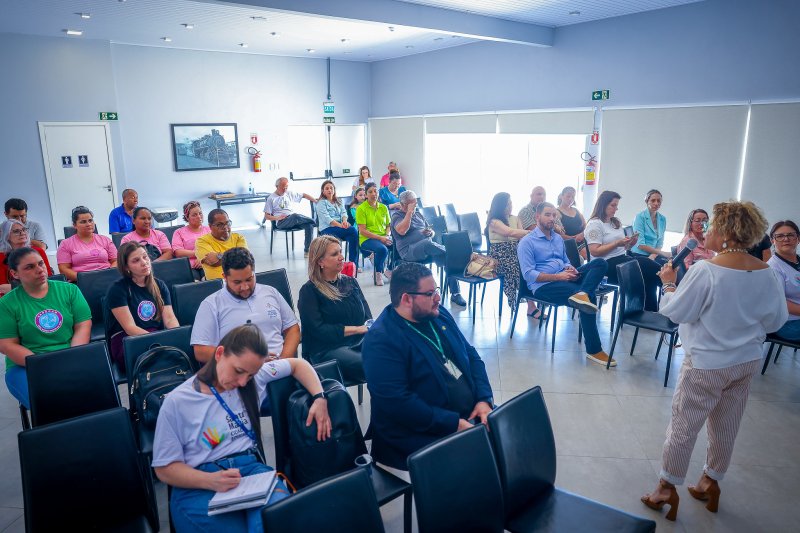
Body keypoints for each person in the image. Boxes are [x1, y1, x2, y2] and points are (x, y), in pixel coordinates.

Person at [641, 201, 786, 522]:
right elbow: (776, 320)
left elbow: (677, 312)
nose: (705, 231)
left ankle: (666, 488)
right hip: (745, 362)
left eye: (711, 225)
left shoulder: (707, 271)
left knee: (684, 425)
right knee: (727, 425)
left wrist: (668, 282)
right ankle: (710, 481)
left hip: (707, 364)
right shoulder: (768, 273)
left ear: (726, 233)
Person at [153, 324, 331, 533]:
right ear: (219, 354)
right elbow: (164, 469)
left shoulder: (254, 377)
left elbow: (298, 365)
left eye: (250, 375)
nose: (242, 381)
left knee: (277, 522)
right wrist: (211, 481)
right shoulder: (178, 402)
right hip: (199, 482)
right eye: (238, 371)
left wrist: (319, 398)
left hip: (251, 472)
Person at [363, 262, 494, 471]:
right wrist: (453, 423)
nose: (438, 298)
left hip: (464, 414)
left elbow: (471, 355)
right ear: (406, 299)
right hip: (417, 431)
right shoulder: (382, 340)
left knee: (508, 440)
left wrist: (484, 399)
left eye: (437, 291)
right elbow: (399, 404)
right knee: (479, 463)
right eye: (430, 293)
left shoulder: (437, 314)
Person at [518, 203, 613, 366]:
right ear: (537, 217)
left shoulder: (556, 238)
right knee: (588, 298)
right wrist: (559, 277)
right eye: (547, 215)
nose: (552, 218)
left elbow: (564, 260)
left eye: (554, 215)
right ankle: (594, 350)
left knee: (599, 264)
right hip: (544, 286)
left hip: (565, 276)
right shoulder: (526, 242)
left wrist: (569, 268)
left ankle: (582, 293)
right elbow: (529, 275)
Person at [0, 247, 92, 408]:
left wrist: (72, 356)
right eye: (30, 267)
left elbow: (83, 325)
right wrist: (43, 365)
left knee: (94, 393)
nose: (40, 270)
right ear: (15, 274)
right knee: (48, 402)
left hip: (69, 355)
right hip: (26, 365)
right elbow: (7, 344)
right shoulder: (7, 304)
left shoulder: (70, 290)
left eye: (40, 264)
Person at [191, 247, 299, 365]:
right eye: (237, 282)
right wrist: (245, 359)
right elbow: (201, 351)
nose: (245, 287)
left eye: (249, 279)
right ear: (225, 277)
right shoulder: (212, 304)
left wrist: (284, 362)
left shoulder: (270, 292)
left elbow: (292, 328)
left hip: (279, 366)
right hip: (239, 373)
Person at [298, 236, 370, 384]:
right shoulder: (309, 291)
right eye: (334, 254)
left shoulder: (351, 282)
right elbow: (319, 331)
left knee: (394, 354)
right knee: (373, 365)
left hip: (358, 342)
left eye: (341, 252)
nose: (341, 257)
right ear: (320, 262)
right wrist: (357, 329)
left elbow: (367, 317)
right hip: (326, 350)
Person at [106, 242, 180, 368]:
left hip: (155, 335)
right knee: (163, 360)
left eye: (145, 257)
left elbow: (169, 318)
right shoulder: (117, 289)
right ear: (126, 267)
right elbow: (129, 327)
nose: (144, 262)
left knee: (184, 349)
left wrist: (176, 336)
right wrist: (159, 342)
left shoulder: (159, 285)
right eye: (136, 260)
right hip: (128, 340)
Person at [585, 190, 661, 312]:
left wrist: (630, 243)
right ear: (603, 205)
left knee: (649, 274)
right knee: (647, 265)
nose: (616, 209)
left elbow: (623, 248)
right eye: (613, 205)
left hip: (621, 260)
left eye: (617, 205)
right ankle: (672, 289)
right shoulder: (595, 224)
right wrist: (617, 243)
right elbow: (595, 251)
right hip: (605, 266)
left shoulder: (614, 222)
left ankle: (650, 312)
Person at [391, 190, 466, 307]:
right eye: (413, 204)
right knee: (428, 244)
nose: (416, 205)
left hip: (426, 248)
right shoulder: (397, 216)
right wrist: (409, 213)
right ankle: (460, 256)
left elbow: (431, 231)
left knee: (447, 258)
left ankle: (455, 293)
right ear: (404, 204)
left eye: (416, 203)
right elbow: (402, 230)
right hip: (409, 251)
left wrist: (430, 232)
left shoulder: (418, 214)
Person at [486, 192, 536, 316]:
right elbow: (511, 232)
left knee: (533, 264)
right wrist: (532, 233)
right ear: (500, 206)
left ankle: (538, 296)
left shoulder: (515, 218)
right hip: (500, 257)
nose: (510, 206)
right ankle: (531, 305)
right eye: (507, 204)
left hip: (515, 252)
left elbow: (521, 236)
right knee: (519, 268)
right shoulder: (494, 221)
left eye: (511, 203)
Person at [56, 206, 118, 282]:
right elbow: (63, 269)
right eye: (83, 222)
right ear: (74, 225)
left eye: (90, 220)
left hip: (107, 279)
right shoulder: (65, 244)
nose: (88, 224)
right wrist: (84, 279)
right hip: (81, 282)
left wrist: (109, 274)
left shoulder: (105, 240)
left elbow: (116, 261)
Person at [261, 177, 317, 256]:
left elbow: (304, 195)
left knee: (309, 225)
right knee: (295, 216)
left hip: (294, 220)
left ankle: (307, 251)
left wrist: (316, 201)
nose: (285, 190)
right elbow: (266, 216)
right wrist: (277, 218)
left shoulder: (288, 193)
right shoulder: (271, 198)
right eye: (283, 188)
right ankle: (314, 221)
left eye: (286, 188)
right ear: (277, 186)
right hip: (282, 222)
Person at [0, 220, 52, 297]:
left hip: (40, 292)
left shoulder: (38, 251)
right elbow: (2, 287)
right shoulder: (1, 256)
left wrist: (15, 287)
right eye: (16, 231)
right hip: (13, 297)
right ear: (6, 235)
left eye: (24, 229)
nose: (22, 233)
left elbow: (48, 278)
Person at [767, 220, 800, 341]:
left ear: (798, 238)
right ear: (772, 241)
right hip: (787, 323)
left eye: (791, 235)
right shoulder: (773, 267)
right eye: (780, 236)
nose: (786, 239)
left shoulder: (797, 261)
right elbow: (779, 302)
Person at [195, 209, 248, 280]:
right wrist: (236, 256)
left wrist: (219, 256)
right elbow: (213, 262)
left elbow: (243, 258)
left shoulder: (239, 238)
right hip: (216, 285)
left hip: (242, 281)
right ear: (210, 226)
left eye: (227, 223)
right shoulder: (202, 241)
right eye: (220, 225)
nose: (225, 227)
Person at [356, 183, 392, 286]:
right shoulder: (361, 209)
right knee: (382, 249)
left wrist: (387, 235)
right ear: (366, 195)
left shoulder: (384, 207)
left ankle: (389, 270)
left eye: (375, 191)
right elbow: (362, 231)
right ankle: (378, 273)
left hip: (383, 237)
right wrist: (380, 238)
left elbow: (389, 225)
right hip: (367, 239)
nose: (373, 194)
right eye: (370, 192)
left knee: (399, 246)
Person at [316, 180, 359, 263]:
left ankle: (352, 263)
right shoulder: (321, 203)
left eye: (331, 188)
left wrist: (345, 221)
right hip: (327, 229)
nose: (329, 190)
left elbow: (344, 212)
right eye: (327, 188)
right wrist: (341, 225)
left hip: (340, 228)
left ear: (334, 190)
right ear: (323, 191)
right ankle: (346, 263)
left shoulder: (339, 201)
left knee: (352, 237)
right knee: (353, 230)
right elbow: (327, 219)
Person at [171, 201, 211, 280]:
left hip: (207, 263)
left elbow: (215, 248)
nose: (199, 217)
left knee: (208, 280)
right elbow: (178, 252)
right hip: (188, 266)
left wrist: (203, 258)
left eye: (200, 213)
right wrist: (200, 254)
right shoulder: (179, 232)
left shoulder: (209, 230)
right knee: (194, 282)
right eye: (194, 215)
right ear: (187, 217)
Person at [630, 189, 671, 265]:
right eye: (653, 200)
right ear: (647, 201)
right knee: (661, 269)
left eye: (659, 201)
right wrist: (662, 253)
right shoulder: (639, 217)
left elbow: (660, 243)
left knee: (670, 266)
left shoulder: (662, 219)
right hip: (639, 254)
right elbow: (640, 245)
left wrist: (653, 255)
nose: (656, 203)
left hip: (653, 254)